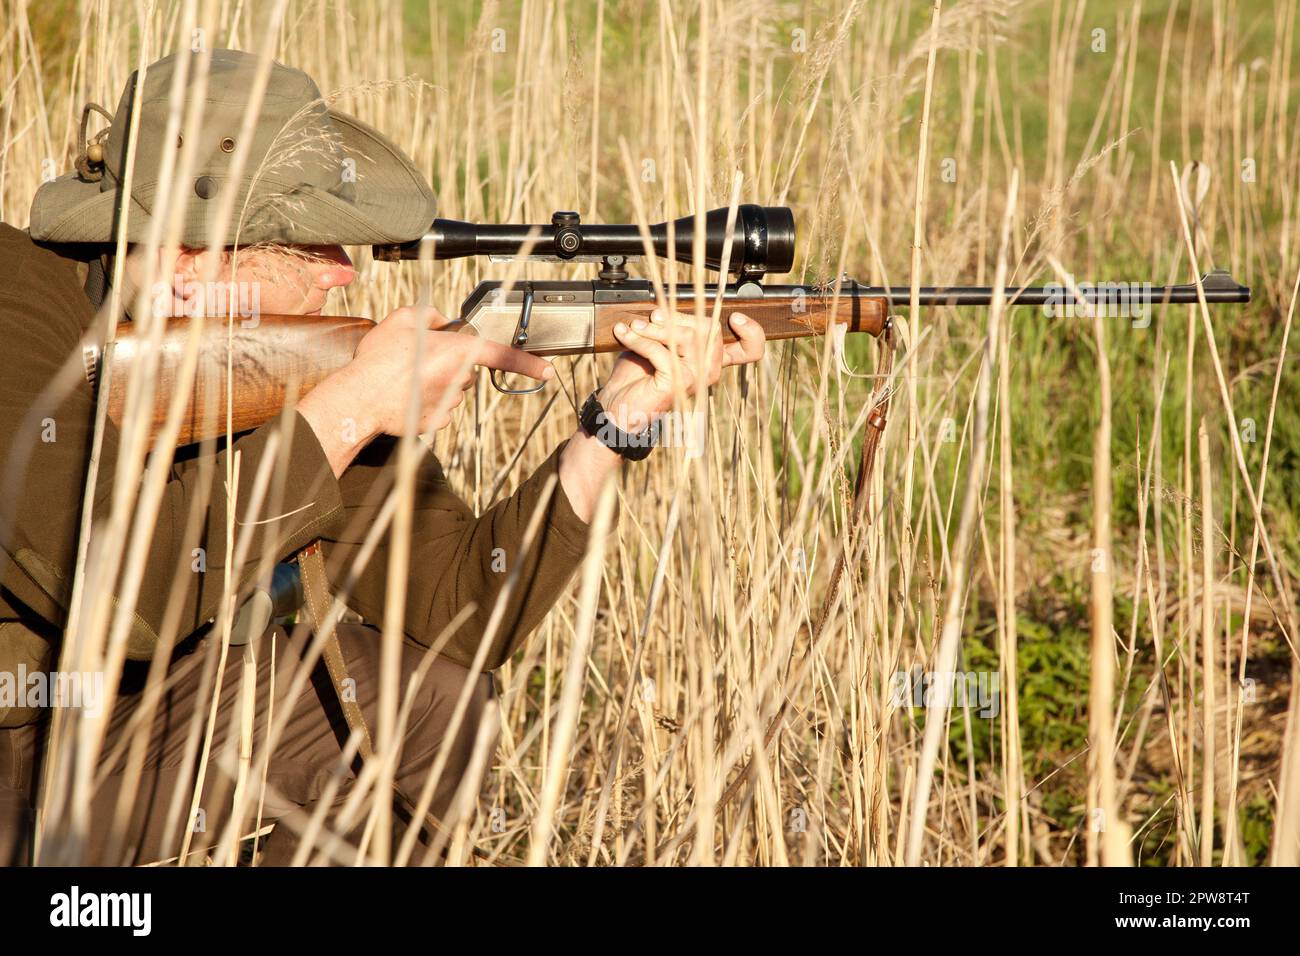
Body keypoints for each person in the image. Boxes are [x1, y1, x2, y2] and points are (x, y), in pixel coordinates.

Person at [0, 48, 765, 865]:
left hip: (138, 725)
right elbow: (124, 587)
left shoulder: (266, 362)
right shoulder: (17, 306)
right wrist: (354, 406)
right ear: (192, 262)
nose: (342, 272)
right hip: (21, 761)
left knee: (434, 702)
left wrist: (613, 424)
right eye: (307, 247)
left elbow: (462, 608)